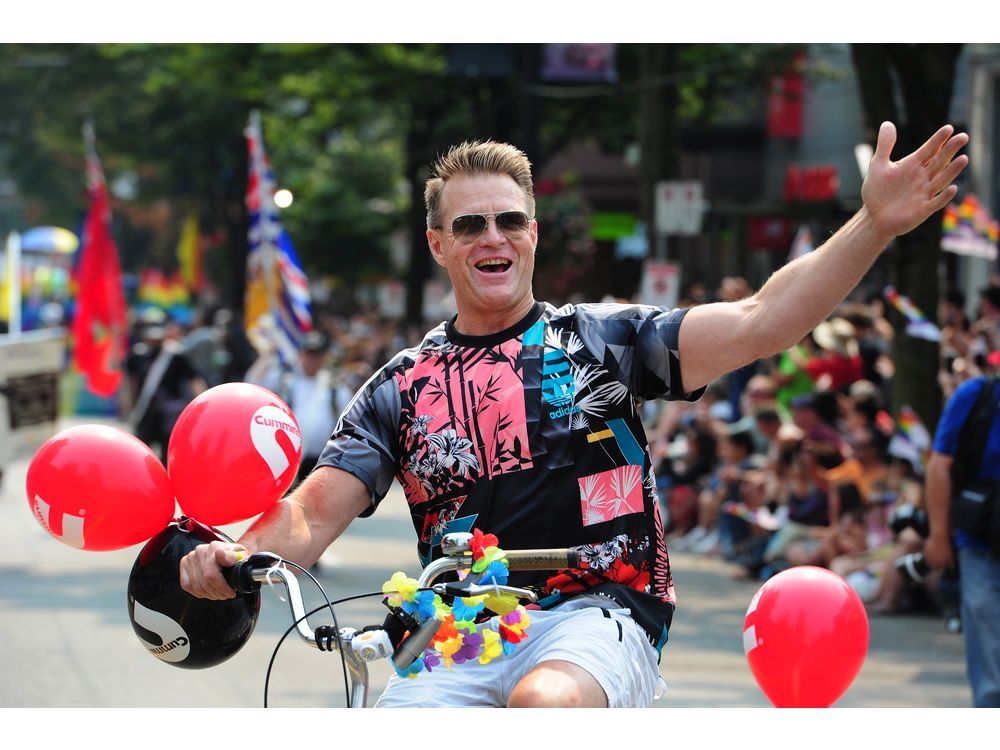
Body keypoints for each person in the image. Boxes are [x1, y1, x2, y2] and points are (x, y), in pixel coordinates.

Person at [180, 122, 968, 708]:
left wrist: (874, 226)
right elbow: (313, 511)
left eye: (510, 220)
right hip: (457, 633)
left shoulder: (605, 341)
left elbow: (764, 319)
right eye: (470, 225)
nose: (494, 237)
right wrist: (233, 553)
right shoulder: (400, 386)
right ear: (438, 245)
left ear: (530, 233)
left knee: (540, 710)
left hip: (599, 616)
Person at [924, 371, 1000, 707]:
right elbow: (940, 465)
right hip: (979, 534)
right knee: (984, 622)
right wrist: (939, 535)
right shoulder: (975, 395)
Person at [126, 322, 207, 462]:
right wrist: (129, 406)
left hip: (168, 416)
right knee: (139, 455)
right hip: (146, 413)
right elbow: (131, 383)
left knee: (167, 457)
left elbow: (194, 380)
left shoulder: (176, 356)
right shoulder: (139, 355)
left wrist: (204, 405)